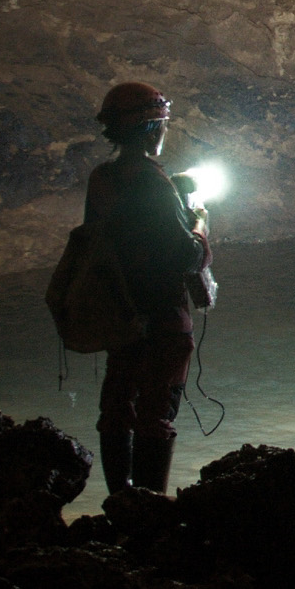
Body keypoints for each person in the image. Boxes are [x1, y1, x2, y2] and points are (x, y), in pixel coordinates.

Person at [86, 81, 210, 496]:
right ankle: (151, 506)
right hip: (162, 317)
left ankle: (120, 500)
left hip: (120, 313)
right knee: (156, 411)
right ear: (154, 128)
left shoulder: (102, 178)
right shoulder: (154, 185)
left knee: (117, 406)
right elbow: (184, 255)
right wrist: (199, 223)